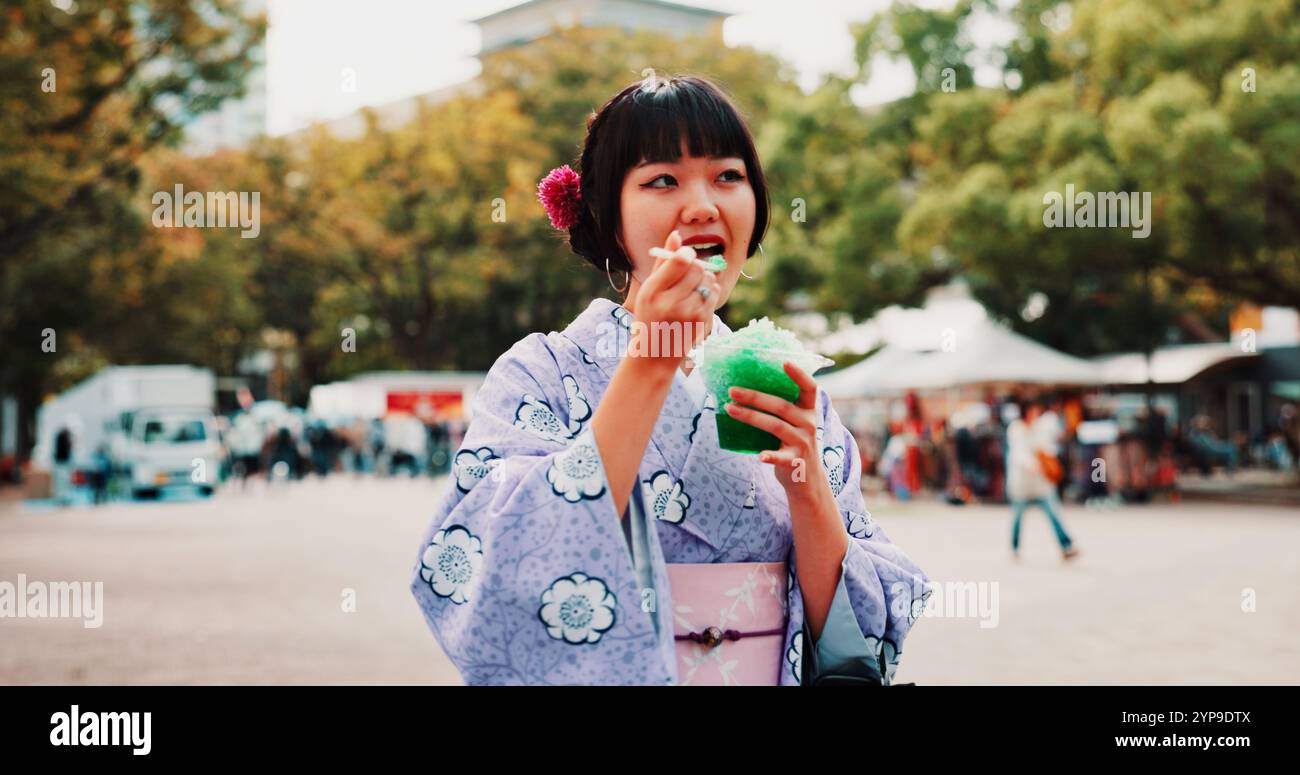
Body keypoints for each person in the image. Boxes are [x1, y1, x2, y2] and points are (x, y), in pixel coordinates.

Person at [408, 75, 930, 686]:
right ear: (607, 215)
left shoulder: (783, 381)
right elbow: (489, 564)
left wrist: (809, 487)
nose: (704, 203)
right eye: (662, 180)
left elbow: (848, 634)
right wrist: (649, 364)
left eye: (728, 176)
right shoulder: (541, 374)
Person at [1006, 398, 1079, 560]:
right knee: (1017, 517)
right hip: (1022, 483)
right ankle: (1014, 547)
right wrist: (1032, 464)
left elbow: (1048, 447)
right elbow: (1019, 452)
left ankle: (1066, 546)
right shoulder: (1016, 429)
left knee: (1053, 513)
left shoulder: (1040, 427)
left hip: (1041, 483)